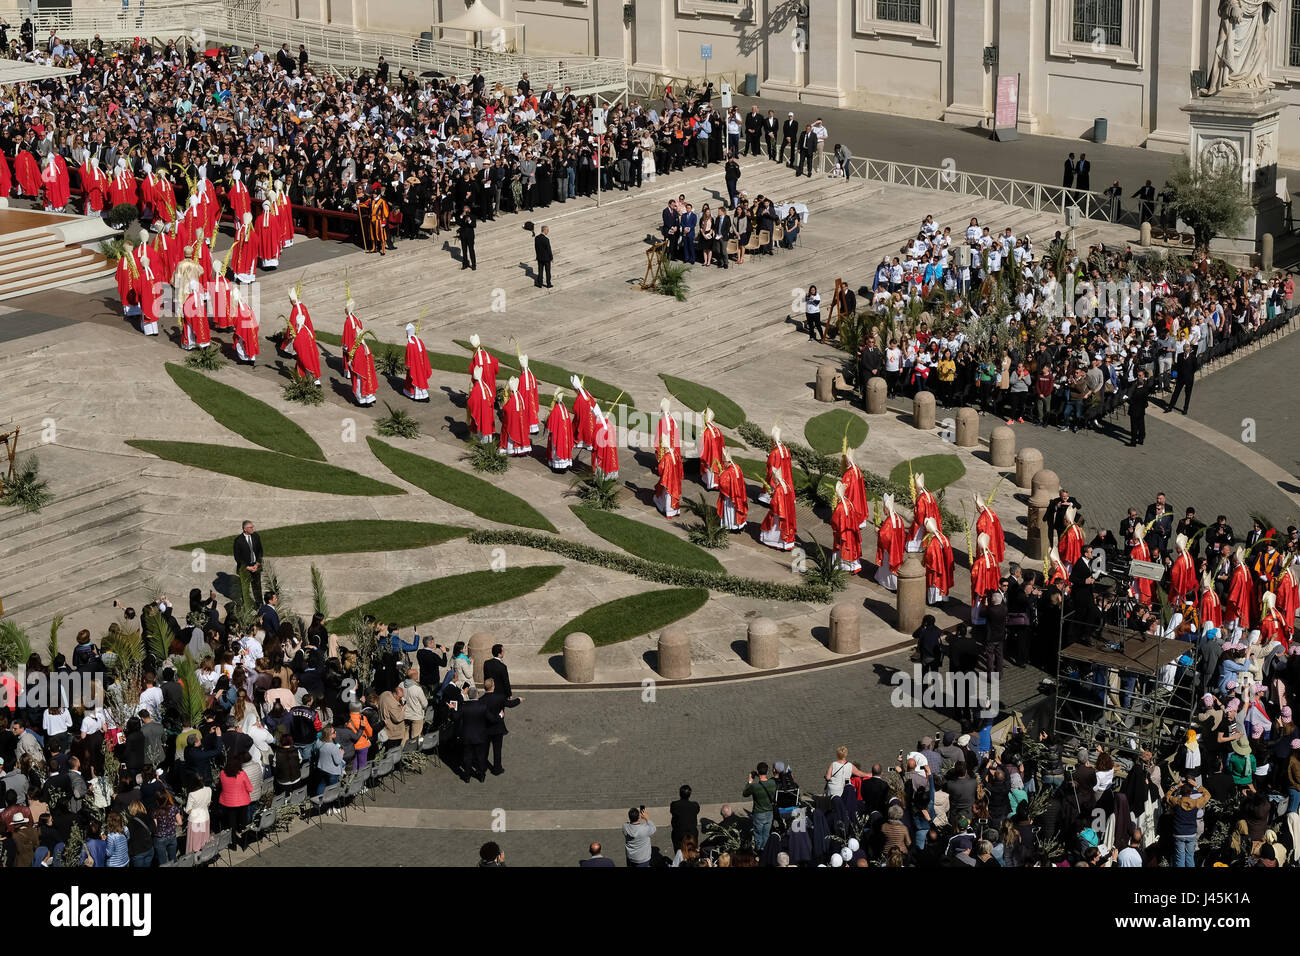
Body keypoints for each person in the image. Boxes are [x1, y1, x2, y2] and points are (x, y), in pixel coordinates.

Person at [480, 677, 520, 777]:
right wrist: (519, 700)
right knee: (497, 750)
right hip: (498, 728)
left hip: (486, 729)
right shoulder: (500, 697)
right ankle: (497, 769)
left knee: (484, 750)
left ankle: (483, 767)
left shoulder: (481, 700)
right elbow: (510, 704)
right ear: (493, 686)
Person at [743, 762, 777, 851]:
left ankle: (758, 852)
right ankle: (765, 850)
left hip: (759, 814)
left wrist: (750, 780)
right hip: (770, 813)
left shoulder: (755, 786)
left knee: (758, 836)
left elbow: (745, 793)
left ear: (758, 772)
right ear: (767, 771)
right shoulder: (772, 783)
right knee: (766, 834)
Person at [233, 520, 264, 606]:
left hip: (256, 565)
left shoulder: (256, 536)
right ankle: (246, 606)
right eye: (250, 527)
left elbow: (260, 551)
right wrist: (247, 567)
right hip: (245, 568)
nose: (252, 528)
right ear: (245, 529)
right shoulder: (238, 541)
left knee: (257, 587)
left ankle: (260, 605)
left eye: (252, 526)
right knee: (245, 589)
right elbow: (237, 557)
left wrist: (257, 563)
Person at [669, 784, 699, 851]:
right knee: (692, 851)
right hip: (692, 833)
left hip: (679, 833)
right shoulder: (695, 805)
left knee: (678, 851)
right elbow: (697, 811)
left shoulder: (674, 805)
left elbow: (672, 812)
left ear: (680, 794)